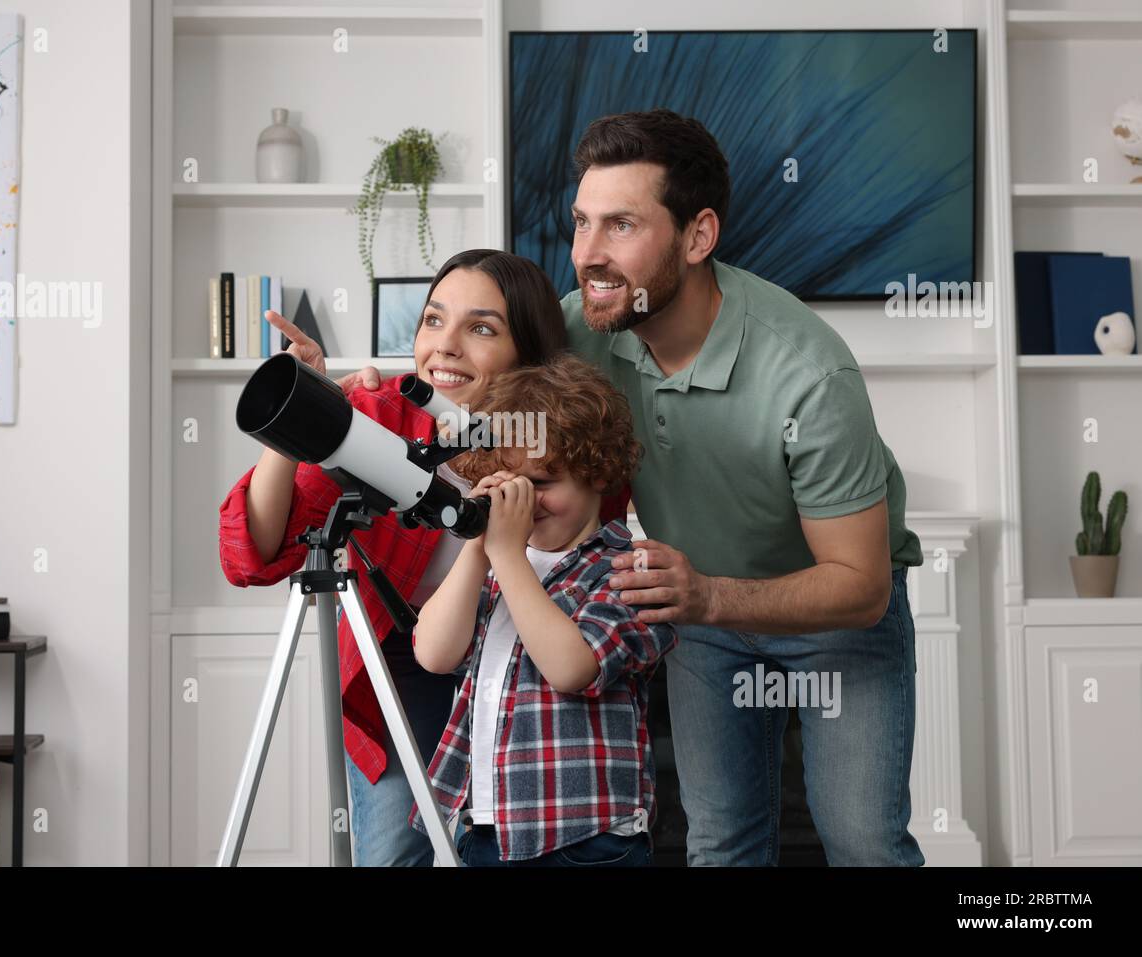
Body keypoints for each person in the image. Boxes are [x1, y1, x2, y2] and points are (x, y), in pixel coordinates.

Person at [346, 109, 927, 866]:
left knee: (863, 841)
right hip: (693, 612)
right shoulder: (590, 323)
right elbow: (487, 384)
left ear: (697, 236)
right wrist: (382, 393)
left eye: (620, 225)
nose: (588, 254)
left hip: (830, 614)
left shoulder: (809, 376)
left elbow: (862, 585)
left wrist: (709, 596)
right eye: (582, 223)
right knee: (721, 842)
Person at [217, 248, 628, 866]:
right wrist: (305, 413)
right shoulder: (379, 418)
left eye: (481, 328)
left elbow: (601, 557)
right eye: (433, 320)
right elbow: (253, 552)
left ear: (531, 349)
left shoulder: (558, 436)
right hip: (406, 656)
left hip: (524, 648)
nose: (446, 347)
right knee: (396, 849)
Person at [409, 354, 677, 866]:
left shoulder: (628, 570)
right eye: (508, 486)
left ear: (598, 473)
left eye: (543, 483)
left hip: (586, 837)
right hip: (488, 826)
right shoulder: (495, 566)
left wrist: (507, 556)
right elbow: (434, 654)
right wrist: (478, 544)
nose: (523, 502)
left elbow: (572, 668)